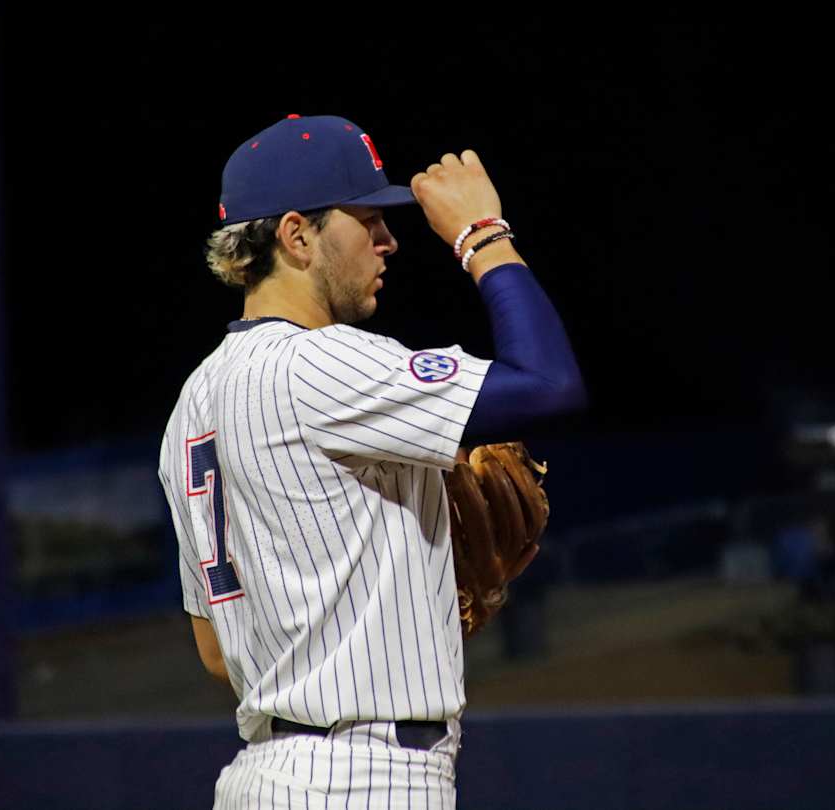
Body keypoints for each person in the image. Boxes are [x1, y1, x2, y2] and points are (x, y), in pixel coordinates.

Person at [158, 114, 584, 809]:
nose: (389, 241)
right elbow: (549, 386)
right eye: (368, 220)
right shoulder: (318, 363)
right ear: (297, 235)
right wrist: (483, 236)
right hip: (363, 779)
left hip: (263, 776)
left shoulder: (192, 404)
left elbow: (216, 651)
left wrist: (399, 598)